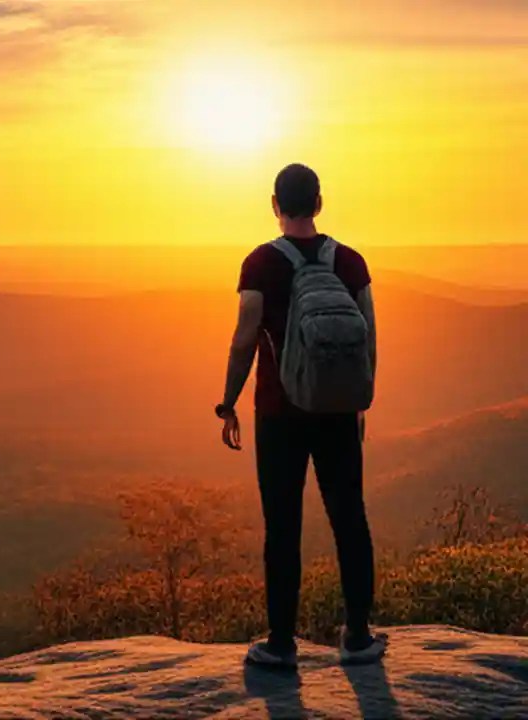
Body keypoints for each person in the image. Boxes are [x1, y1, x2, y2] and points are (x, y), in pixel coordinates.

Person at [216, 163, 388, 668]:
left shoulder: (261, 264)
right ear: (319, 202)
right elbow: (369, 338)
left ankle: (281, 643)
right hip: (338, 411)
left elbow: (245, 336)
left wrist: (228, 402)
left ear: (275, 204)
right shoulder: (351, 262)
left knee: (282, 526)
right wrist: (360, 401)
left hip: (279, 412)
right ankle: (357, 636)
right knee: (349, 519)